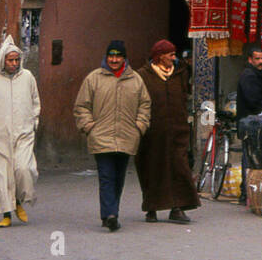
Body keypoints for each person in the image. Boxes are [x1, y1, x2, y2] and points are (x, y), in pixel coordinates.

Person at [73, 40, 151, 231]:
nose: (114, 60)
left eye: (118, 56)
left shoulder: (135, 80)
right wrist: (89, 126)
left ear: (124, 58)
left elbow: (145, 105)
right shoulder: (94, 79)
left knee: (119, 177)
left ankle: (110, 212)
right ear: (106, 57)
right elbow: (81, 106)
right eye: (111, 56)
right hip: (101, 137)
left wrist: (139, 126)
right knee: (106, 176)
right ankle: (111, 214)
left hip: (126, 136)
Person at [0, 35, 40, 228]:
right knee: (1, 176)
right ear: (2, 60)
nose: (14, 63)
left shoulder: (27, 77)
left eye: (16, 60)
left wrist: (33, 122)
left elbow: (35, 101)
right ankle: (6, 214)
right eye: (10, 60)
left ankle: (19, 201)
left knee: (24, 169)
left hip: (23, 133)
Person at [136, 39, 201, 223]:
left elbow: (183, 95)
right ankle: (152, 208)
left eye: (174, 54)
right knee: (153, 168)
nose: (174, 58)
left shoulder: (179, 73)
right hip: (152, 132)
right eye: (170, 54)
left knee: (178, 168)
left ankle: (177, 207)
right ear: (159, 56)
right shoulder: (143, 75)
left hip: (177, 130)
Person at [235, 45, 262, 121]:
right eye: (257, 59)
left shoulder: (259, 74)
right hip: (250, 120)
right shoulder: (249, 76)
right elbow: (254, 101)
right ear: (250, 60)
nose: (261, 61)